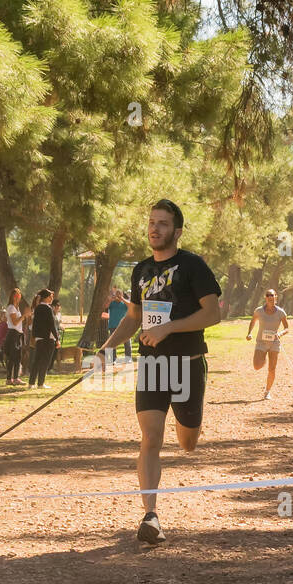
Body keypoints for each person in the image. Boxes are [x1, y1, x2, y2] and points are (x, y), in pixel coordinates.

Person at [98, 198, 222, 545]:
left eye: (163, 223)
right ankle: (150, 515)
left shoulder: (192, 266)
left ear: (177, 231)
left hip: (187, 363)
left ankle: (191, 420)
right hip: (152, 364)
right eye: (152, 222)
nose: (155, 228)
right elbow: (135, 318)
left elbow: (212, 314)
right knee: (151, 436)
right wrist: (107, 349)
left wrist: (169, 328)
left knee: (187, 443)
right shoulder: (140, 271)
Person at [246, 289, 289, 400]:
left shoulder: (280, 312)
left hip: (274, 343)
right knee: (257, 366)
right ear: (265, 297)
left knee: (272, 369)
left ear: (276, 297)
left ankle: (267, 391)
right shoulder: (259, 311)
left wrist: (280, 333)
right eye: (268, 295)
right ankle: (263, 358)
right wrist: (249, 333)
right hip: (261, 342)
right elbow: (253, 321)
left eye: (273, 295)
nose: (271, 297)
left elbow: (287, 328)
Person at [28, 288, 57, 388]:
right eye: (51, 296)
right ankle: (41, 383)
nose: (52, 298)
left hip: (39, 338)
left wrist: (35, 336)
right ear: (46, 297)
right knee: (45, 361)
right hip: (48, 338)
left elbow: (35, 325)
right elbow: (52, 325)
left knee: (37, 361)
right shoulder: (48, 308)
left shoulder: (37, 308)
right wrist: (57, 338)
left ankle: (31, 383)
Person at [3, 288, 25, 385]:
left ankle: (16, 378)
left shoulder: (17, 307)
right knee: (12, 357)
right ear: (12, 297)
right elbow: (15, 322)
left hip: (18, 334)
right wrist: (24, 316)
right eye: (16, 296)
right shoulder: (11, 307)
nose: (17, 297)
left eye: (19, 295)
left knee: (18, 357)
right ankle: (9, 379)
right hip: (13, 333)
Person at [107, 288, 132, 361]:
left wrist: (122, 299)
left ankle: (128, 358)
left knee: (127, 342)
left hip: (124, 326)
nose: (117, 295)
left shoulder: (124, 303)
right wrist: (111, 299)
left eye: (119, 294)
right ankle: (113, 359)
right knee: (113, 343)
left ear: (122, 294)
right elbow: (106, 306)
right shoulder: (112, 303)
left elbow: (131, 306)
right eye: (116, 294)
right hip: (113, 326)